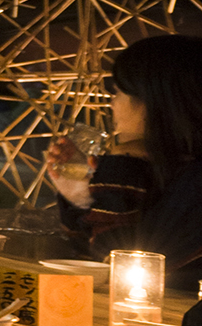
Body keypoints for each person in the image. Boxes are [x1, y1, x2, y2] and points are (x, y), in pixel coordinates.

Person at [45, 35, 202, 289]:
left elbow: (121, 268)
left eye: (118, 92)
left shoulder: (192, 186)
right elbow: (91, 256)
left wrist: (119, 166)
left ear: (152, 101)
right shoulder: (168, 175)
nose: (112, 103)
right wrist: (81, 196)